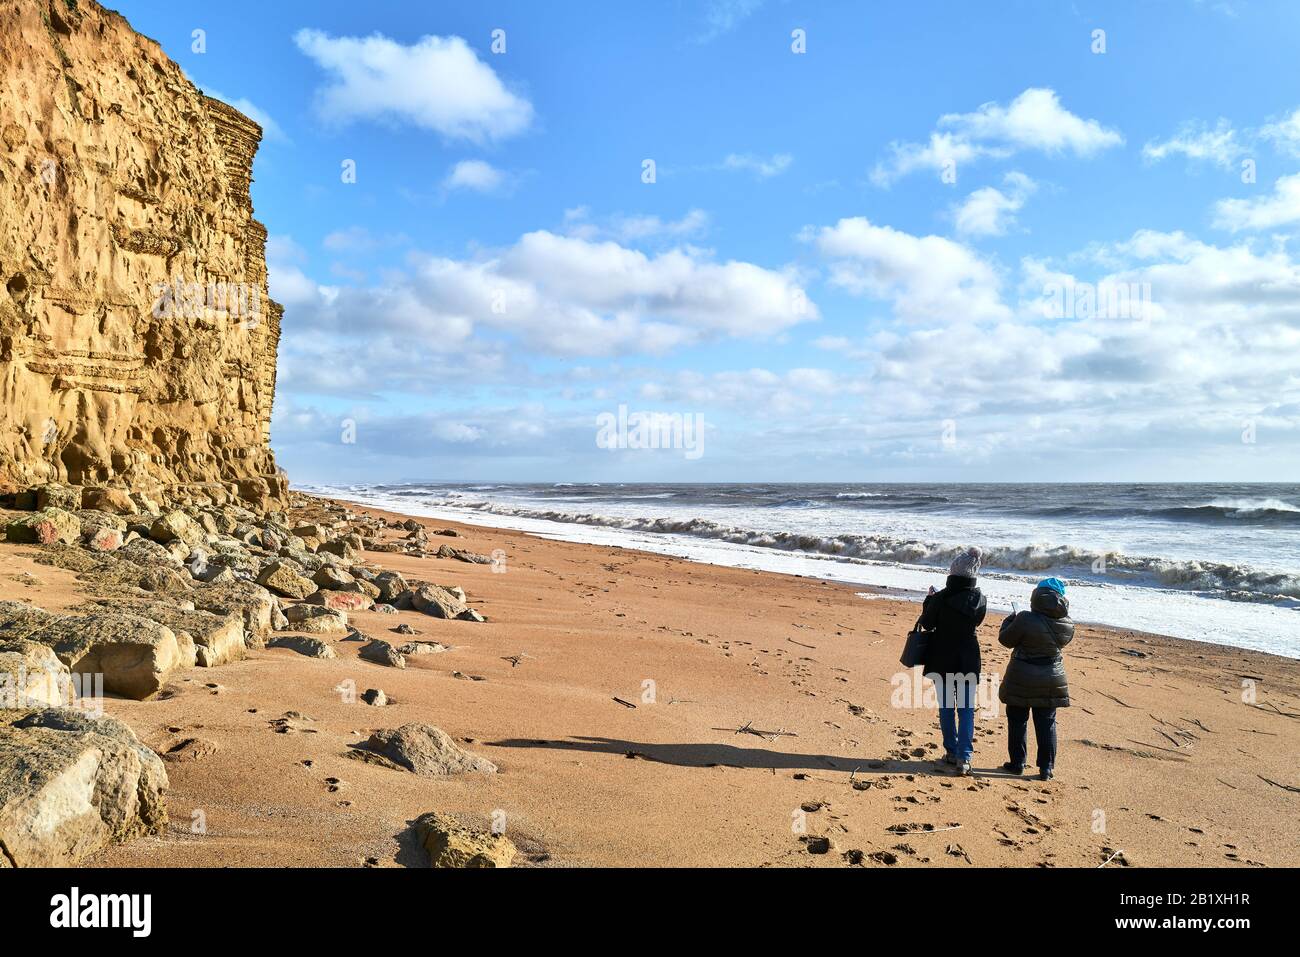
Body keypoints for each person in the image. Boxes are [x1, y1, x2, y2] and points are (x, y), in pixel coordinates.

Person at [997, 577, 1074, 781]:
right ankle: (1046, 768)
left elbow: (1005, 639)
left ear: (1036, 596)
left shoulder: (1024, 618)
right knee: (1047, 723)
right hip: (1051, 678)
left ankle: (1017, 763)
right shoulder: (1067, 624)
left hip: (1021, 675)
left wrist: (1010, 619)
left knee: (1017, 720)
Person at [920, 547, 987, 776]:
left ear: (953, 572)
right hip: (968, 657)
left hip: (942, 657)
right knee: (967, 710)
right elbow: (975, 621)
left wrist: (928, 600)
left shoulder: (940, 597)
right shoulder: (979, 599)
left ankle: (951, 751)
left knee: (947, 707)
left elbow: (927, 624)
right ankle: (964, 757)